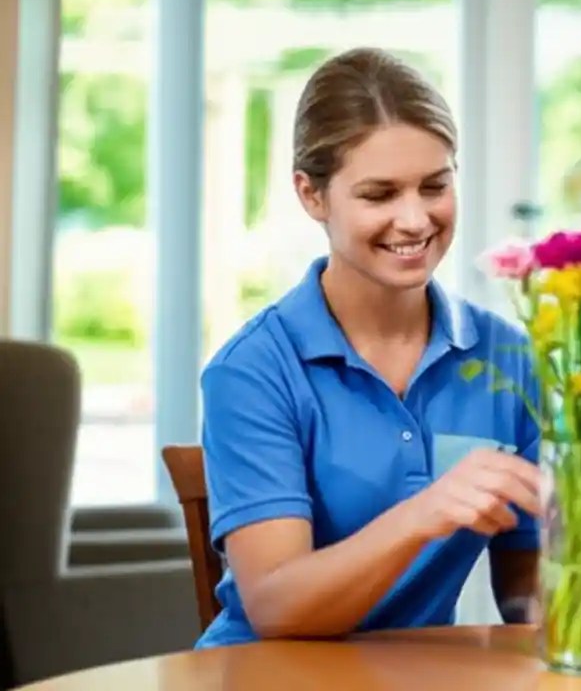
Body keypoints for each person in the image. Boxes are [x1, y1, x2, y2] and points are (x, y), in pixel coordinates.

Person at [194, 47, 543, 648]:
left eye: (434, 186)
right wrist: (425, 512)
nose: (414, 219)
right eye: (379, 195)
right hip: (267, 679)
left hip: (421, 677)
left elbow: (524, 589)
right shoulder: (252, 371)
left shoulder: (506, 358)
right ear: (311, 195)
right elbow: (277, 608)